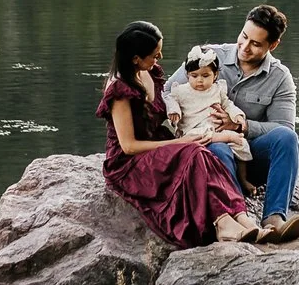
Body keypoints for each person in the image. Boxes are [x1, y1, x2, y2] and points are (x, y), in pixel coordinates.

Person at [97, 20, 258, 245]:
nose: (159, 58)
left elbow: (177, 100)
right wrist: (180, 142)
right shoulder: (120, 90)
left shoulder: (150, 73)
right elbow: (129, 146)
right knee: (192, 151)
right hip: (129, 163)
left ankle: (243, 220)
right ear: (136, 58)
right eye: (154, 54)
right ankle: (224, 223)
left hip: (156, 145)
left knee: (203, 156)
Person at [166, 4, 299, 243]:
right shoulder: (209, 57)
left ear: (272, 45)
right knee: (218, 148)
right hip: (209, 153)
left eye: (256, 44)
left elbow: (283, 127)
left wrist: (241, 126)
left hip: (248, 156)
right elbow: (167, 92)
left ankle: (274, 218)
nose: (245, 47)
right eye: (244, 36)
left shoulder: (280, 77)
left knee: (287, 139)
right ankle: (237, 219)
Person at [166, 46, 252, 161]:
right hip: (193, 129)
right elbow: (171, 99)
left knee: (241, 143)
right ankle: (228, 137)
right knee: (211, 136)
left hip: (216, 129)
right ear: (187, 75)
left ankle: (243, 177)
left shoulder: (217, 89)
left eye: (205, 76)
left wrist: (238, 116)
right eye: (194, 76)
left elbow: (228, 104)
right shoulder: (181, 91)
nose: (200, 80)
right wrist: (174, 111)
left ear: (215, 75)